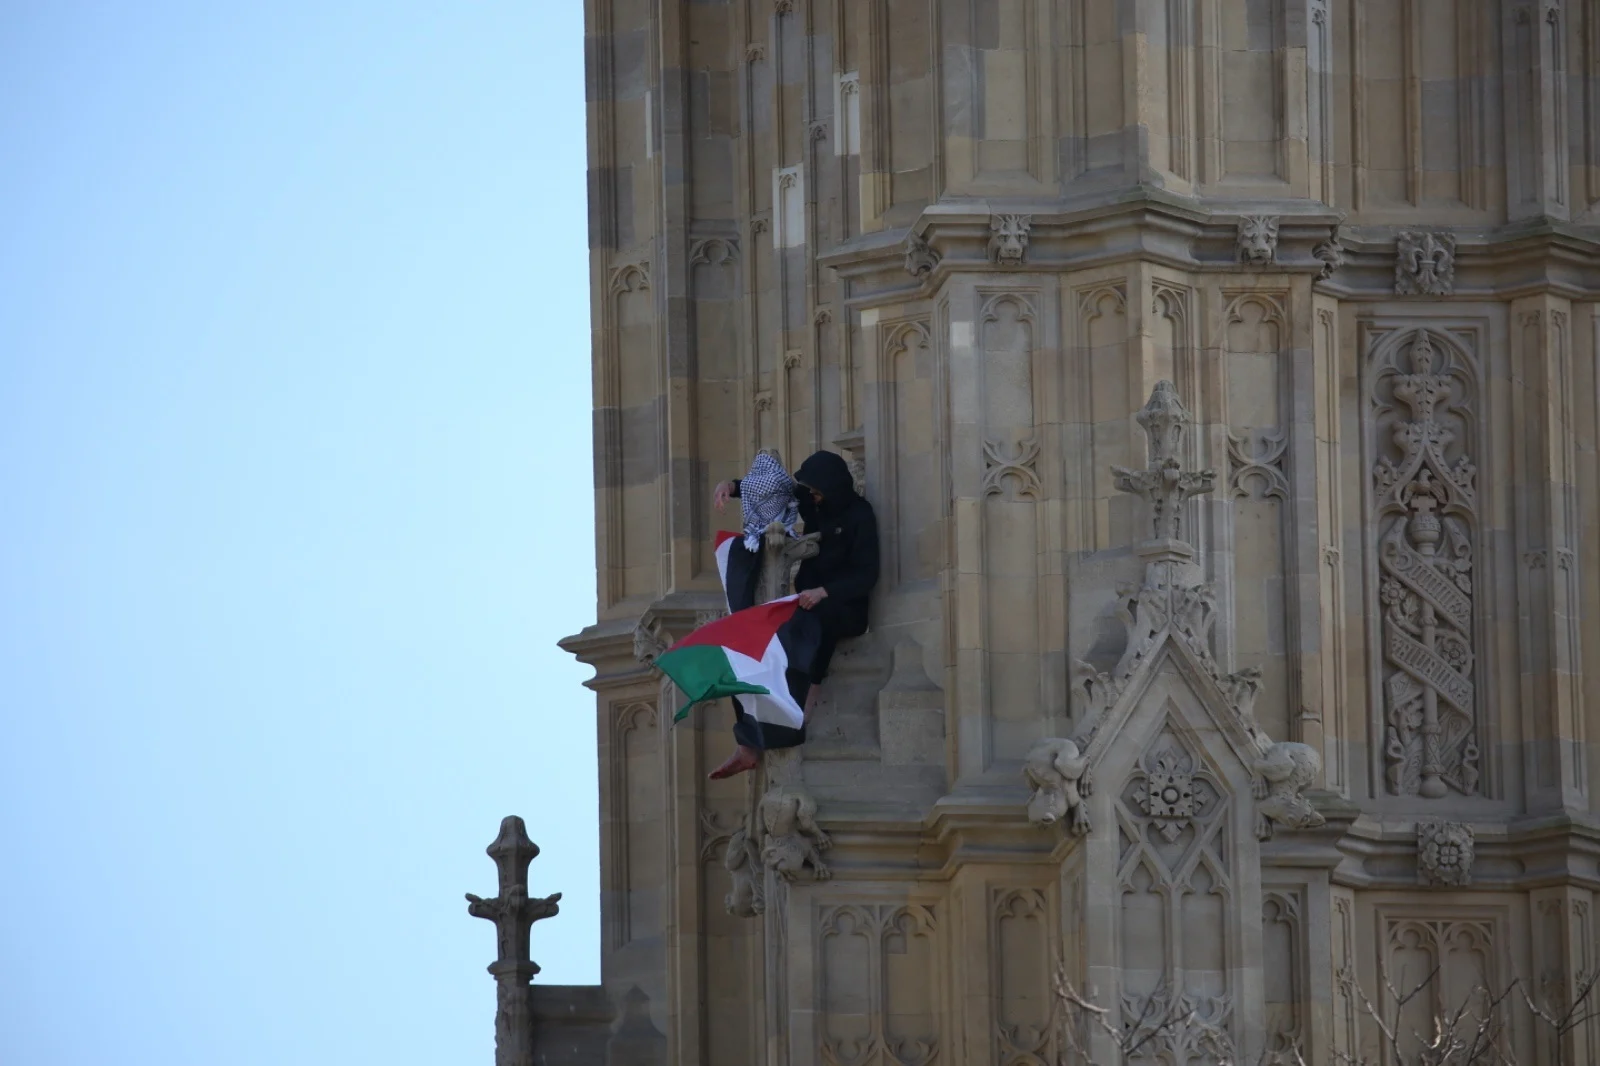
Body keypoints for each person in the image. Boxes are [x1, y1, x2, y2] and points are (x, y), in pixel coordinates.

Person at [708, 449, 879, 779]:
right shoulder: (816, 499)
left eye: (816, 491)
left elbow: (866, 574)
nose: (811, 498)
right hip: (803, 600)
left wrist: (824, 592)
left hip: (840, 606)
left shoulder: (860, 516)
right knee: (747, 644)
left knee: (811, 636)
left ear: (833, 488)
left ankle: (801, 710)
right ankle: (746, 743)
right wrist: (730, 486)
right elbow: (773, 488)